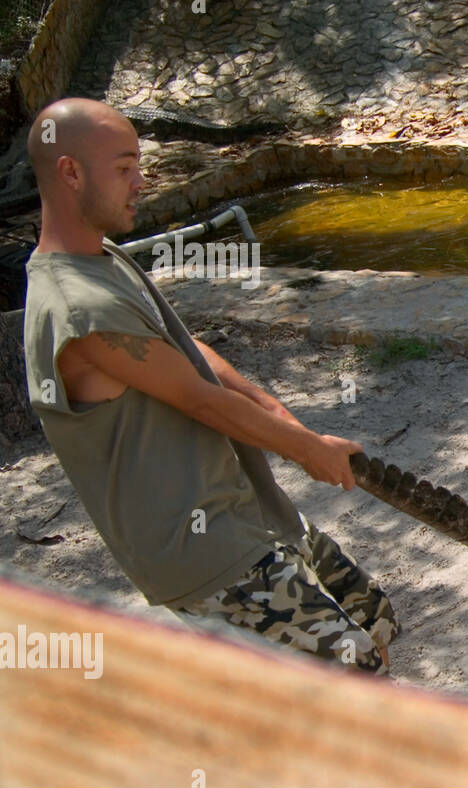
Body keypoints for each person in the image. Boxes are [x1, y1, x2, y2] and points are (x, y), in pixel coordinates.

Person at [22, 98, 400, 673]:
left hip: (250, 509)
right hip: (207, 553)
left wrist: (276, 413)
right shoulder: (78, 307)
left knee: (374, 617)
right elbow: (195, 398)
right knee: (356, 669)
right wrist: (304, 448)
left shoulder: (104, 258)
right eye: (124, 167)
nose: (141, 182)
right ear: (71, 172)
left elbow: (184, 351)